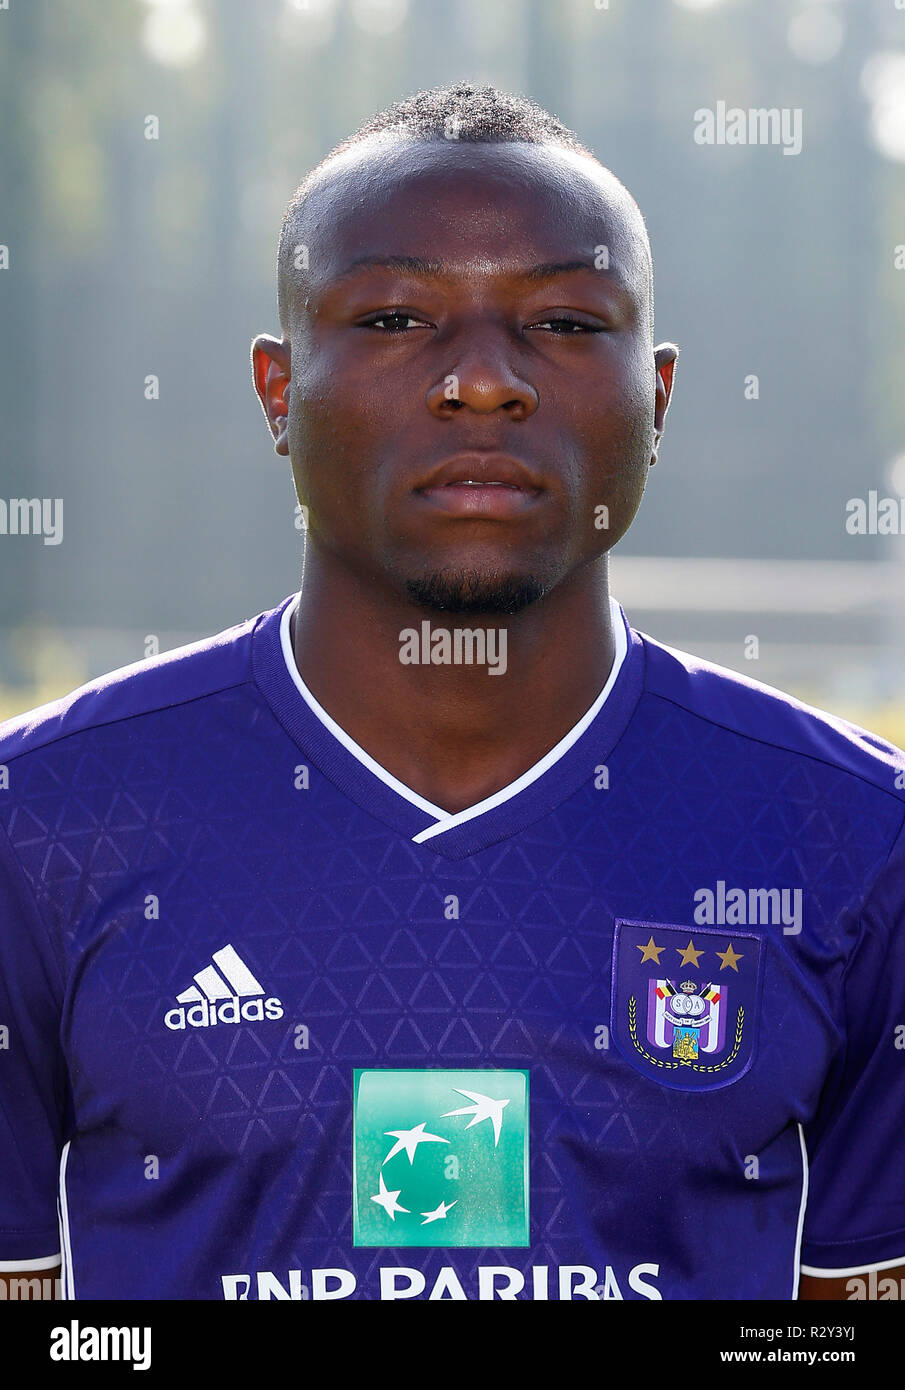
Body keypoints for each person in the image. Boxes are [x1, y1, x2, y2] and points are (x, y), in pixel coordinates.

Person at [0, 82, 902, 1302]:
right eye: (390, 317)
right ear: (278, 392)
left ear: (659, 398)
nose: (482, 382)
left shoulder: (854, 836)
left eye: (569, 324)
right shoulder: (44, 820)